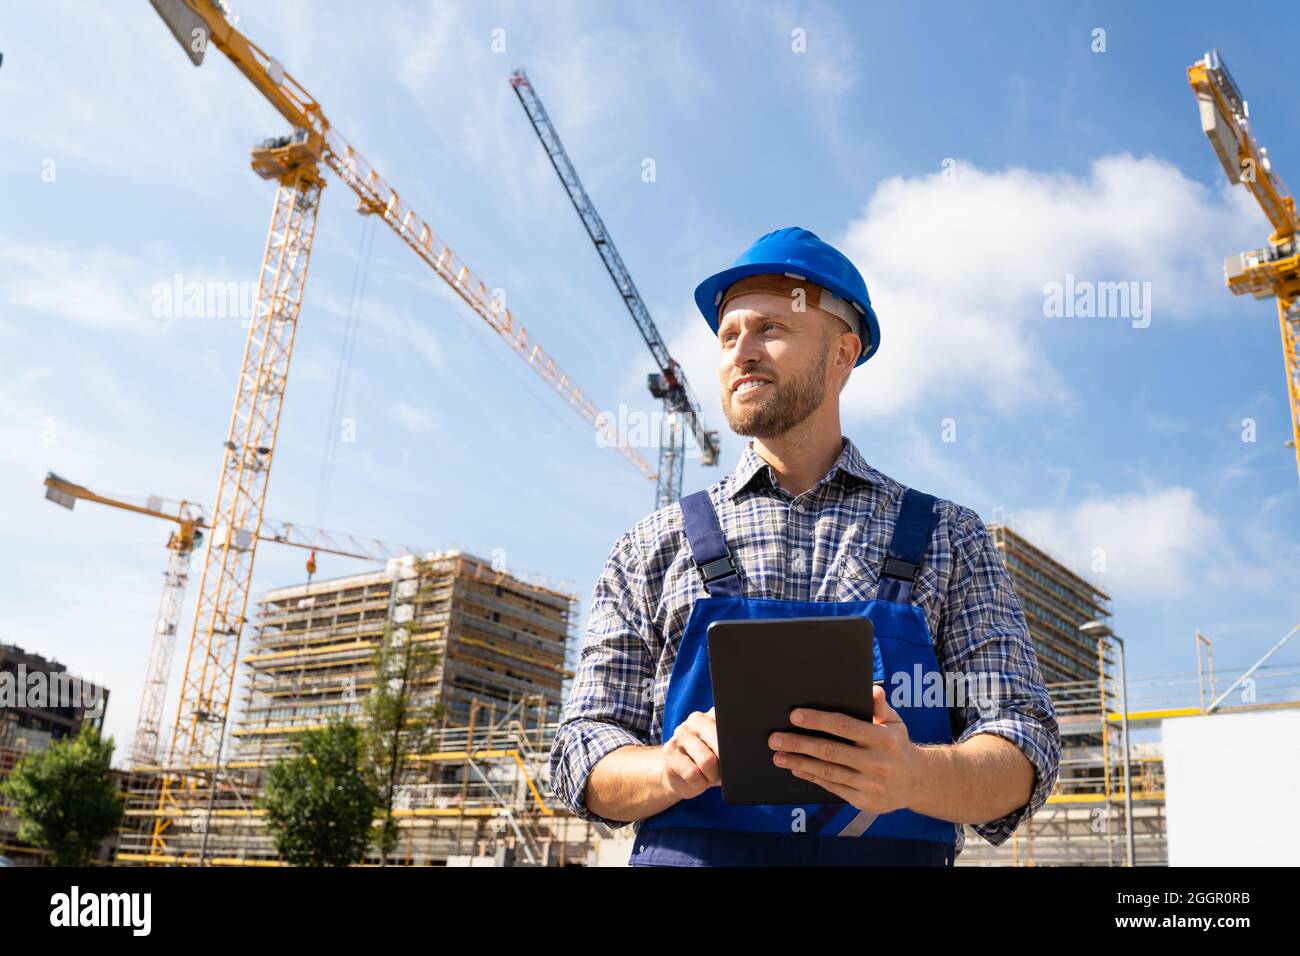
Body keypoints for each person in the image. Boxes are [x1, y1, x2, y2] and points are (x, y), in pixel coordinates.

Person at [549, 227, 1061, 866]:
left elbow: (1023, 741)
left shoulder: (949, 540)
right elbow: (580, 751)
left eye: (771, 329)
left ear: (843, 353)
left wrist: (912, 774)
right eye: (729, 336)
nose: (742, 353)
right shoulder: (650, 547)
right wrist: (664, 770)